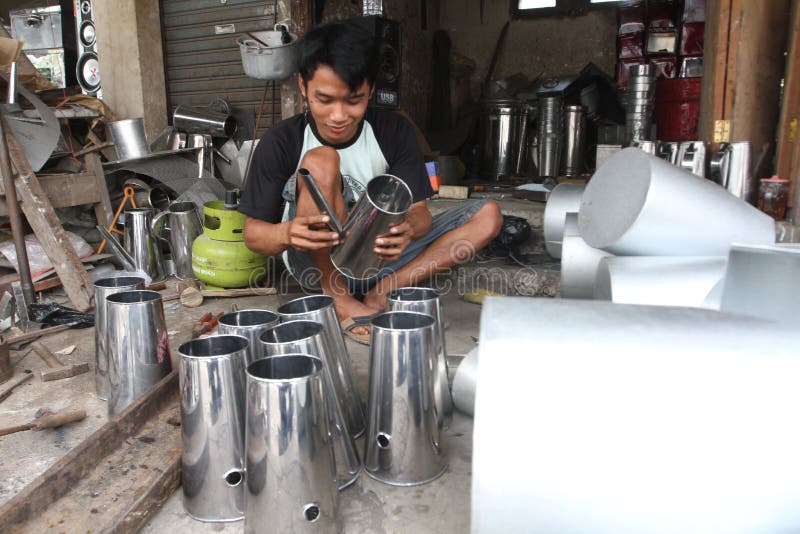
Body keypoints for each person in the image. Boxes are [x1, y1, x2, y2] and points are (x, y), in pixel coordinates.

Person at [239, 19, 502, 343]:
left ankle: (383, 293)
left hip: (381, 259)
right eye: (325, 99)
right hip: (314, 264)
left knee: (488, 215)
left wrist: (407, 227)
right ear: (303, 87)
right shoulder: (282, 141)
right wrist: (286, 232)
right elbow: (253, 235)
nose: (338, 115)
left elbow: (420, 213)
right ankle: (336, 295)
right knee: (322, 160)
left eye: (353, 100)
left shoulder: (394, 131)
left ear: (371, 91)